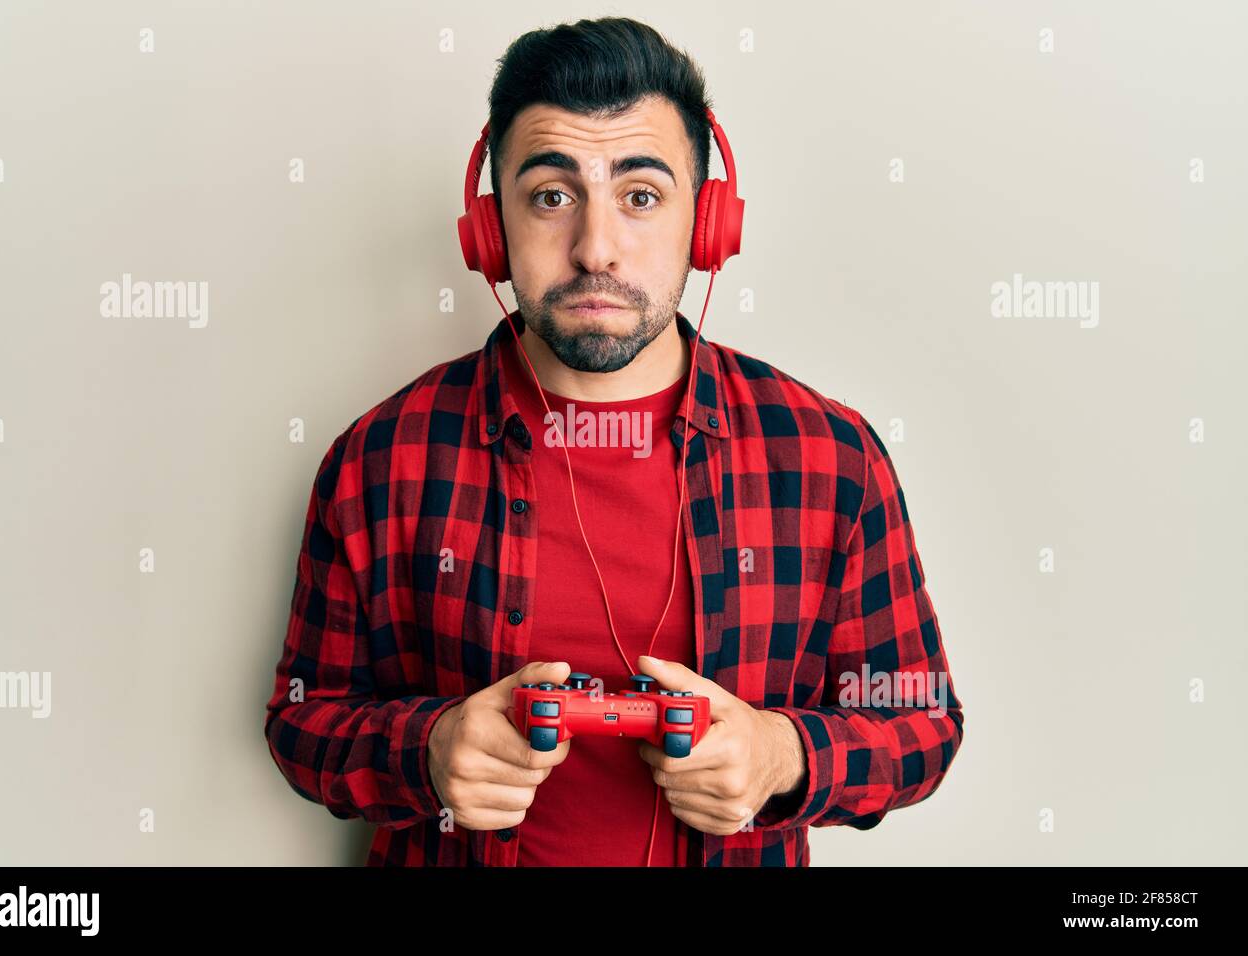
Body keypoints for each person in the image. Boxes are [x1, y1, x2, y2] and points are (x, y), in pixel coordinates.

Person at [263, 16, 963, 867]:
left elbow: (923, 725)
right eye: (552, 196)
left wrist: (783, 753)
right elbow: (303, 720)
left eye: (640, 196)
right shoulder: (382, 460)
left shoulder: (830, 458)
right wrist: (428, 747)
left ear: (707, 227)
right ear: (491, 231)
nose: (596, 248)